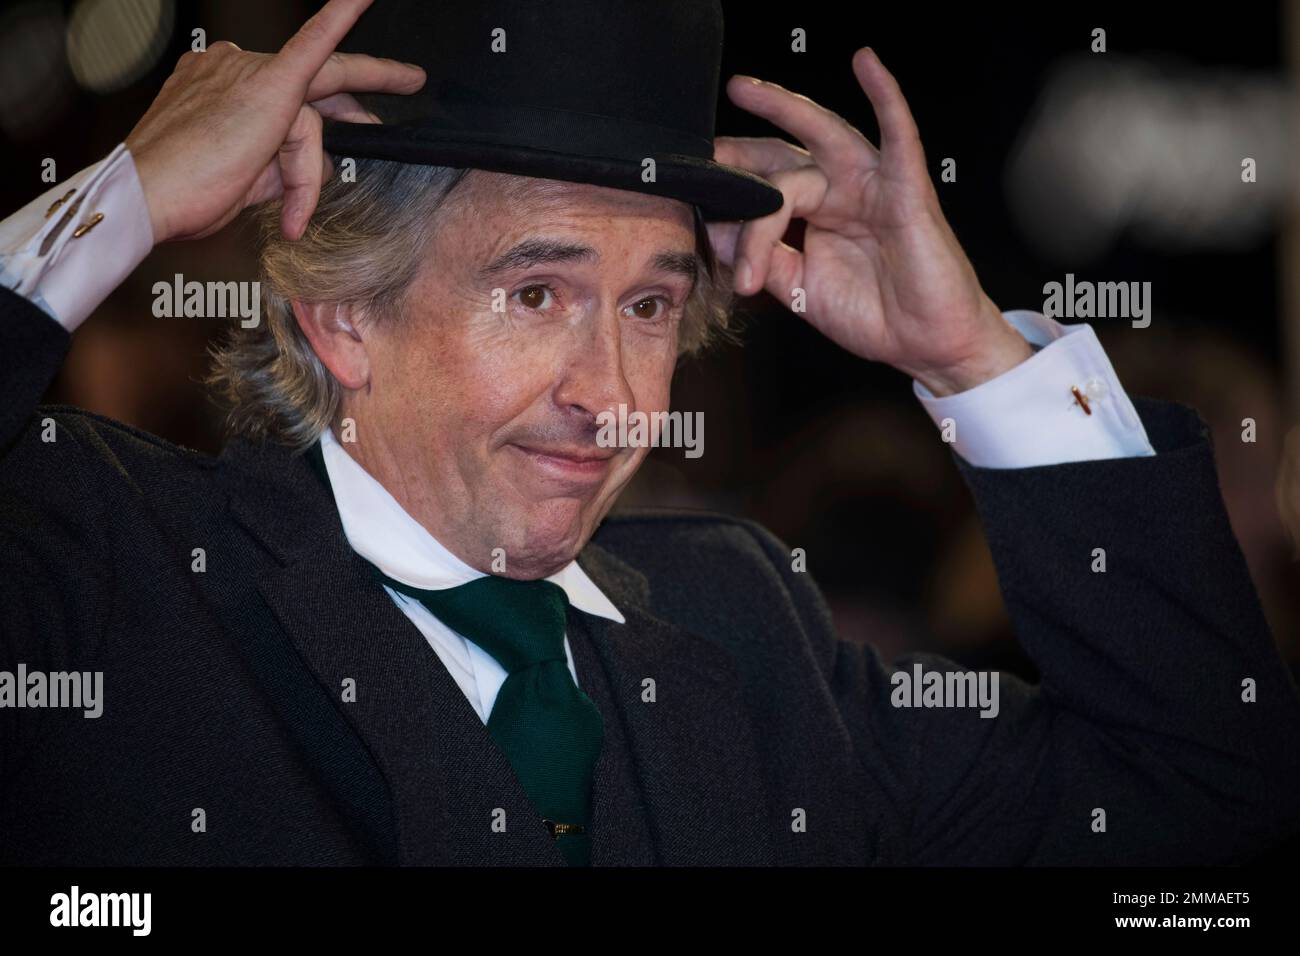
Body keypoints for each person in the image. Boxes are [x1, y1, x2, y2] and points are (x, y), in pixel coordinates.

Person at [1, 0, 1297, 866]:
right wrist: (110, 206)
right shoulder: (109, 557)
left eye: (652, 305)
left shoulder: (748, 630)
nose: (609, 387)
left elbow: (1201, 806)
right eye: (536, 293)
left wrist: (975, 362)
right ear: (344, 316)